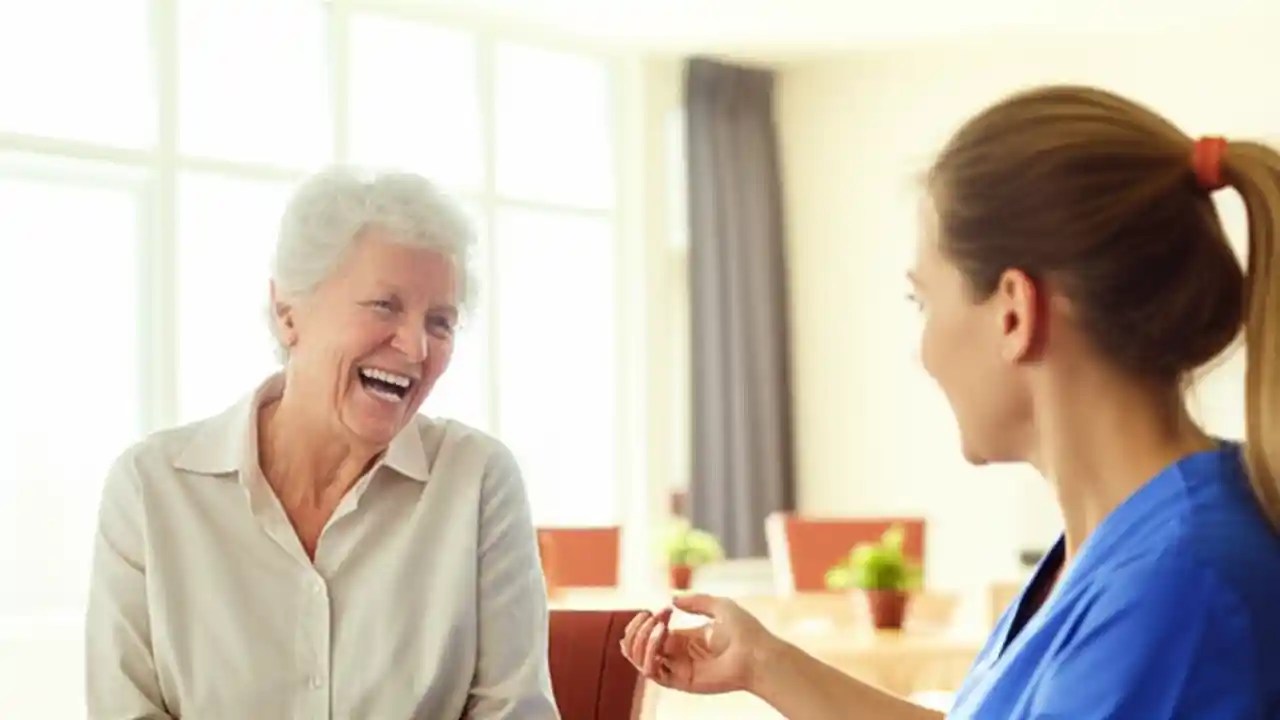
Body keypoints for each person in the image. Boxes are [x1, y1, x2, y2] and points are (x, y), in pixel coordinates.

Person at [622, 85, 1280, 718]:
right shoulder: (1128, 554)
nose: (924, 351)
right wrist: (767, 664)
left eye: (924, 301)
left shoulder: (1178, 592)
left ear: (1014, 313)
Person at [86, 169, 559, 719]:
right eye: (385, 306)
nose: (414, 347)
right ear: (289, 313)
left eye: (441, 322)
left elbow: (515, 710)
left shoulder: (477, 481)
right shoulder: (151, 488)